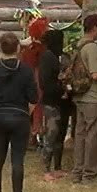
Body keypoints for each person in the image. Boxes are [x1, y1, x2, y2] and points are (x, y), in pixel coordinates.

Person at [0, 32, 38, 192]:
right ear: (18, 48)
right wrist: (27, 112)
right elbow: (33, 97)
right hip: (19, 116)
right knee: (17, 159)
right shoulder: (25, 70)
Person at [69, 14, 97, 184]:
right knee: (92, 135)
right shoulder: (92, 47)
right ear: (94, 28)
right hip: (93, 96)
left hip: (80, 95)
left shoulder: (78, 45)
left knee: (80, 134)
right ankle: (89, 173)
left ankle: (77, 171)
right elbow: (96, 74)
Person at [38, 29, 68, 177]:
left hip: (59, 101)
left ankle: (57, 166)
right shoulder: (48, 57)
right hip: (51, 101)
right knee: (51, 134)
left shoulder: (57, 56)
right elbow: (45, 82)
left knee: (60, 134)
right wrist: (60, 87)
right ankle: (46, 168)